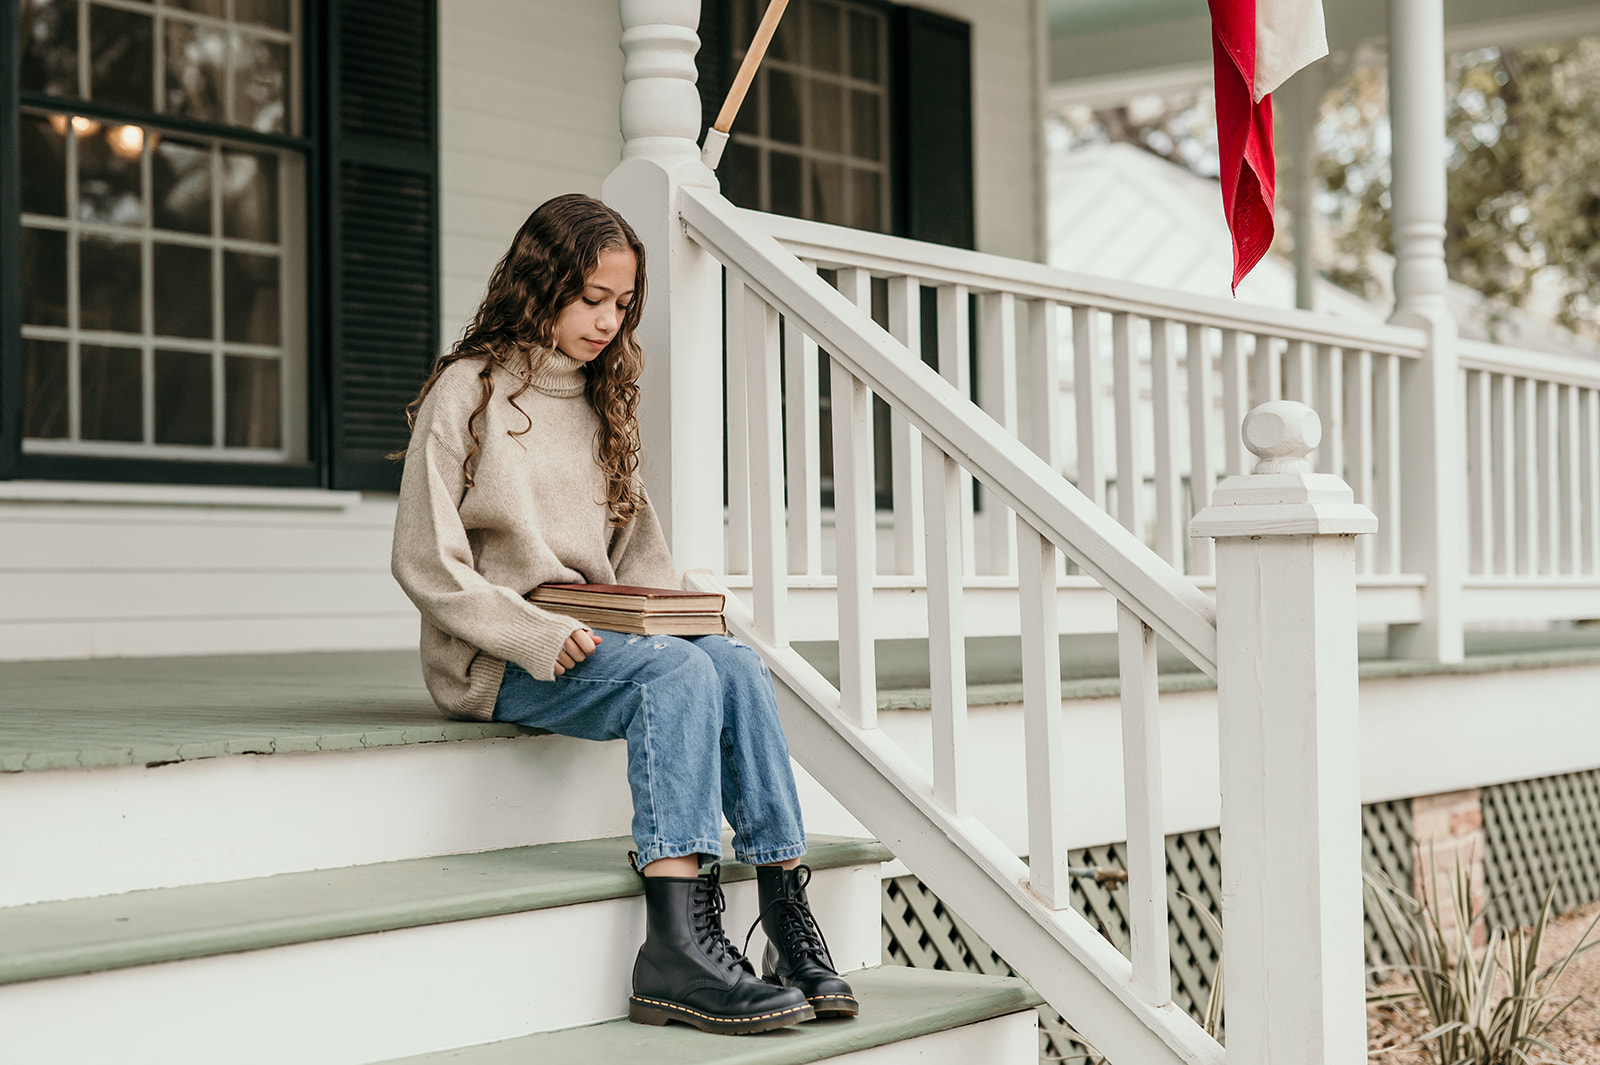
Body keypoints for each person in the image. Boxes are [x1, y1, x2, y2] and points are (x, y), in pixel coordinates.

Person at [390, 193, 855, 1036]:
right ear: (541, 284)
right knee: (676, 672)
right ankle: (674, 948)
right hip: (498, 653)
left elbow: (638, 555)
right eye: (590, 299)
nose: (608, 321)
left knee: (734, 662)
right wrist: (530, 632)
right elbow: (424, 560)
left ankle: (785, 917)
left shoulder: (606, 398)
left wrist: (684, 608)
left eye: (622, 304)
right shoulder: (470, 390)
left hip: (602, 635)